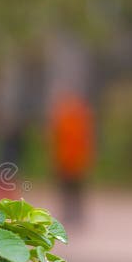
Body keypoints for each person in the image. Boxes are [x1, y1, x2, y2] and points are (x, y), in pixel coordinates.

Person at [49, 91, 94, 224]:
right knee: (68, 188)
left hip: (74, 159)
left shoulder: (76, 117)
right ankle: (70, 213)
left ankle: (75, 213)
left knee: (75, 188)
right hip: (67, 159)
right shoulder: (70, 117)